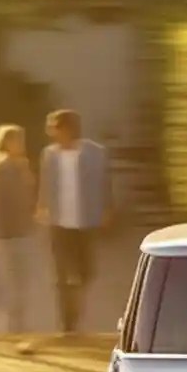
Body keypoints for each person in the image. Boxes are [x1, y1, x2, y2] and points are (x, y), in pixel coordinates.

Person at [38, 109, 113, 338]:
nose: (50, 132)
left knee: (86, 272)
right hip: (58, 222)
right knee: (60, 275)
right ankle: (67, 324)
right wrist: (41, 206)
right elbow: (45, 183)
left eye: (54, 127)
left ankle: (76, 306)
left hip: (85, 221)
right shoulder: (49, 154)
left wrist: (108, 209)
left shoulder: (95, 153)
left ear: (68, 129)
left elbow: (105, 183)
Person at [0, 124, 37, 353]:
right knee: (10, 284)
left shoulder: (20, 165)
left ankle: (17, 328)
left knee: (20, 282)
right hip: (6, 233)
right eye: (16, 140)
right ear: (5, 142)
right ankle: (10, 330)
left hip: (21, 231)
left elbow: (28, 196)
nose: (20, 144)